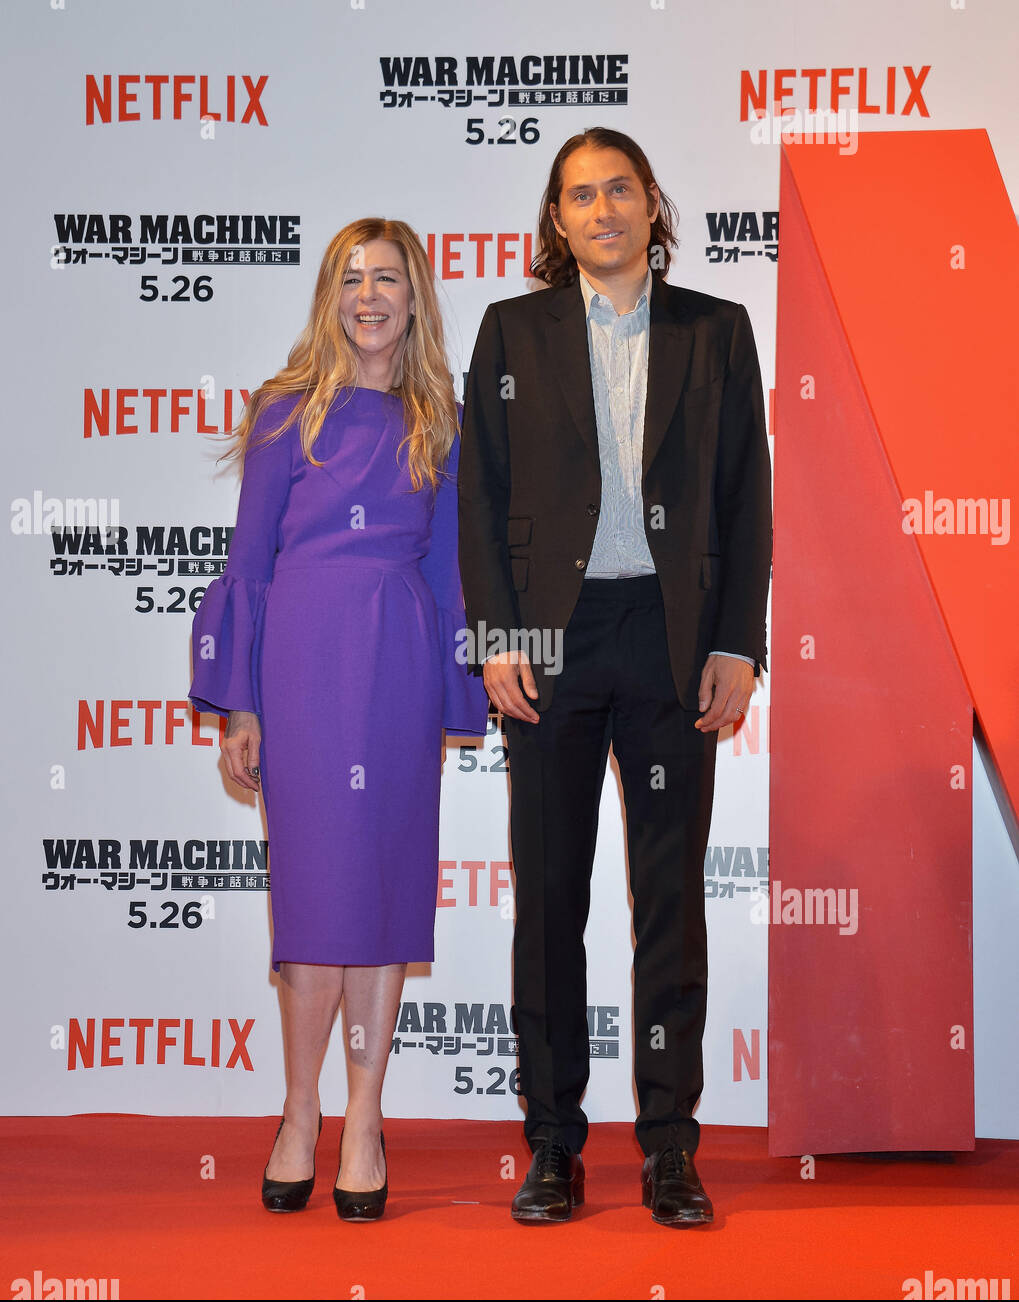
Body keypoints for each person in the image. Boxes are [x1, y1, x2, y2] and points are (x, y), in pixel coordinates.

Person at [458, 128, 772, 1225]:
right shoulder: (510, 329)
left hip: (672, 639)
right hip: (549, 640)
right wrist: (495, 636)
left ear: (650, 205)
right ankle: (551, 1145)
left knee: (668, 902)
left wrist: (738, 642)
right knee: (547, 901)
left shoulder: (716, 331)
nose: (599, 210)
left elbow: (745, 496)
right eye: (577, 195)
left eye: (617, 190)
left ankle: (670, 1148)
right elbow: (481, 498)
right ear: (556, 220)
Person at [188, 219, 488, 1220]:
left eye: (387, 278)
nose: (368, 295)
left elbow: (449, 570)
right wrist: (238, 699)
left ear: (413, 297)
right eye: (350, 279)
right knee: (314, 899)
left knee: (384, 898)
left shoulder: (437, 414)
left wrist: (455, 686)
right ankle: (300, 1108)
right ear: (331, 296)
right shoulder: (284, 412)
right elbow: (249, 563)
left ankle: (364, 1115)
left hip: (397, 662)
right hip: (302, 663)